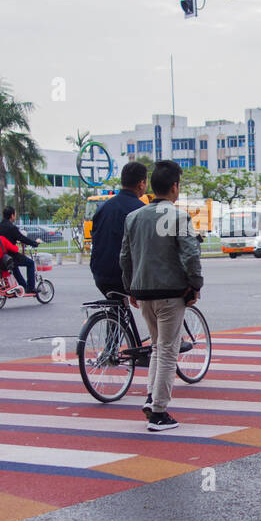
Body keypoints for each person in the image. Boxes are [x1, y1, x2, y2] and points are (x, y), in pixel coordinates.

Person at [120, 159, 203, 431]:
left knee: (157, 347)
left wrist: (130, 286)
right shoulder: (179, 217)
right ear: (175, 187)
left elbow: (125, 257)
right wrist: (195, 285)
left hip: (143, 293)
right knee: (168, 351)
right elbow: (191, 256)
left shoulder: (133, 217)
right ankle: (159, 413)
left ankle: (151, 397)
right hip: (170, 294)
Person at [89, 162, 148, 297]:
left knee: (119, 310)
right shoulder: (142, 210)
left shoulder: (103, 208)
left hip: (100, 274)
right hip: (125, 277)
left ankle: (114, 317)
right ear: (141, 184)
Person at [0, 206, 40, 294]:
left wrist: (14, 240)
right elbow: (22, 238)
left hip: (0, 256)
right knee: (30, 263)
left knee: (14, 267)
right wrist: (34, 243)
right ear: (12, 215)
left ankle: (24, 286)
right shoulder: (12, 227)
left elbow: (3, 239)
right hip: (11, 255)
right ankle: (31, 287)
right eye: (15, 214)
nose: (15, 216)